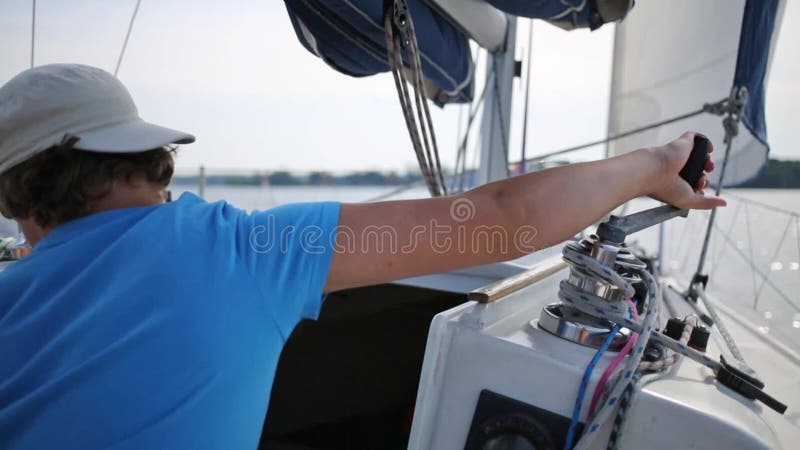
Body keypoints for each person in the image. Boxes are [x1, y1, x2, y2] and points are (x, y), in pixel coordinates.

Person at [0, 64, 723, 449]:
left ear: (19, 197)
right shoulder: (244, 251)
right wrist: (657, 163)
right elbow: (502, 221)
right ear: (153, 157)